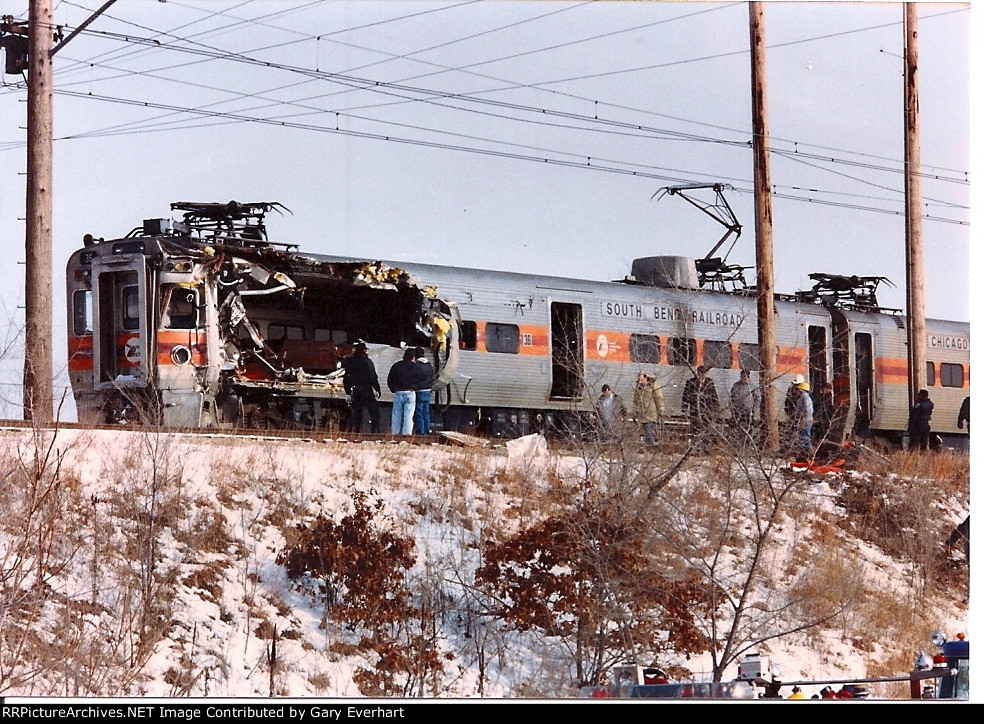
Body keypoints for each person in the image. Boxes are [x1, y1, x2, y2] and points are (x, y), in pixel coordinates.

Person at [342, 342, 381, 433]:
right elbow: (372, 376)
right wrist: (377, 388)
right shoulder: (367, 361)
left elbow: (346, 378)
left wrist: (347, 392)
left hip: (355, 390)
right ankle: (374, 432)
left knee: (357, 414)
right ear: (364, 350)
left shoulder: (350, 361)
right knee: (374, 412)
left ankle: (356, 432)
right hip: (367, 389)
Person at [682, 365, 720, 442]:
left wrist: (716, 407)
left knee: (706, 428)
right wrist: (684, 408)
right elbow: (686, 396)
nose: (703, 375)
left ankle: (705, 445)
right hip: (695, 410)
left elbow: (714, 395)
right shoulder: (691, 382)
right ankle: (695, 445)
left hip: (706, 409)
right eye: (701, 373)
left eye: (705, 373)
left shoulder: (709, 382)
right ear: (698, 373)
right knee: (695, 428)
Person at [387, 348, 419, 435]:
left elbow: (390, 379)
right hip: (410, 392)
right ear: (413, 357)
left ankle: (395, 433)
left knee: (396, 414)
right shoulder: (415, 367)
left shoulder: (396, 365)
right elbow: (419, 380)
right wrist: (416, 387)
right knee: (408, 415)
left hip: (398, 391)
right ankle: (407, 434)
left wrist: (393, 389)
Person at [633, 373, 664, 446]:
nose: (640, 382)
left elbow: (658, 399)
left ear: (646, 378)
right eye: (639, 380)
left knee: (648, 431)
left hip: (651, 413)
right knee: (646, 431)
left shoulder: (653, 386)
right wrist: (635, 411)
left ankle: (650, 447)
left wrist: (661, 411)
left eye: (641, 380)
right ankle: (648, 446)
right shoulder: (638, 388)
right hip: (642, 414)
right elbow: (635, 400)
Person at [412, 347, 435, 435]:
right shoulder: (429, 365)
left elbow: (415, 377)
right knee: (426, 412)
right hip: (428, 391)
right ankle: (426, 430)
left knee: (419, 411)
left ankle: (420, 431)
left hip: (420, 391)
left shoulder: (416, 365)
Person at [729, 369, 759, 434]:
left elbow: (758, 399)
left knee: (748, 428)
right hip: (737, 410)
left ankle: (748, 440)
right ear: (741, 377)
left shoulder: (753, 387)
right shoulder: (736, 385)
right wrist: (733, 409)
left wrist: (753, 409)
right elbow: (732, 398)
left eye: (747, 376)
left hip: (749, 411)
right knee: (737, 428)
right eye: (743, 376)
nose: (745, 378)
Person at [790, 379, 813, 459]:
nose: (796, 391)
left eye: (797, 389)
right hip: (802, 420)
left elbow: (808, 410)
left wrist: (804, 420)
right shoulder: (801, 398)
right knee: (802, 437)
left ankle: (809, 453)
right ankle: (804, 453)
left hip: (806, 420)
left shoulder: (806, 398)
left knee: (805, 437)